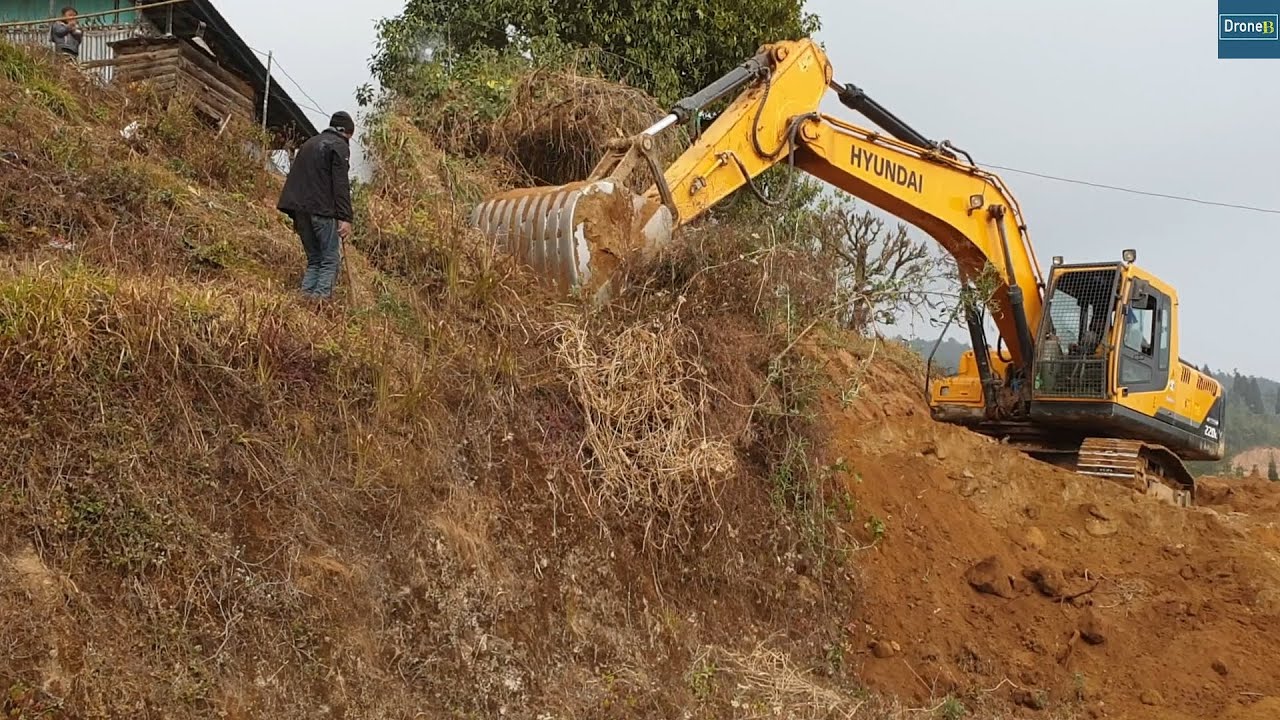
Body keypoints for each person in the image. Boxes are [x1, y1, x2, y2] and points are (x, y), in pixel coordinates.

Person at [276, 111, 355, 301]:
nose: (349, 141)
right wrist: (345, 218)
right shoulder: (338, 146)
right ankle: (318, 304)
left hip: (299, 209)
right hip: (321, 210)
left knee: (315, 260)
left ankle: (305, 302)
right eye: (350, 137)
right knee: (329, 260)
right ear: (345, 132)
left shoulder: (309, 143)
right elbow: (341, 184)